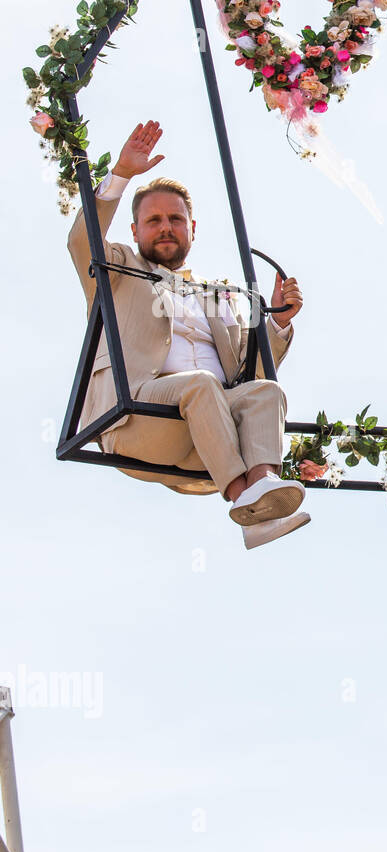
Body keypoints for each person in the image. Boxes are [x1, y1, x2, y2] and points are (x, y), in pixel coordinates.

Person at [67, 120, 309, 549]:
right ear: (135, 231)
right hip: (139, 417)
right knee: (200, 385)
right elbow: (82, 242)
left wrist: (278, 323)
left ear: (192, 229)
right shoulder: (118, 270)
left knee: (266, 392)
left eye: (175, 219)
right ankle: (242, 501)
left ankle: (261, 495)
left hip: (210, 438)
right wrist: (121, 174)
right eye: (154, 220)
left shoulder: (217, 294)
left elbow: (247, 373)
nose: (165, 227)